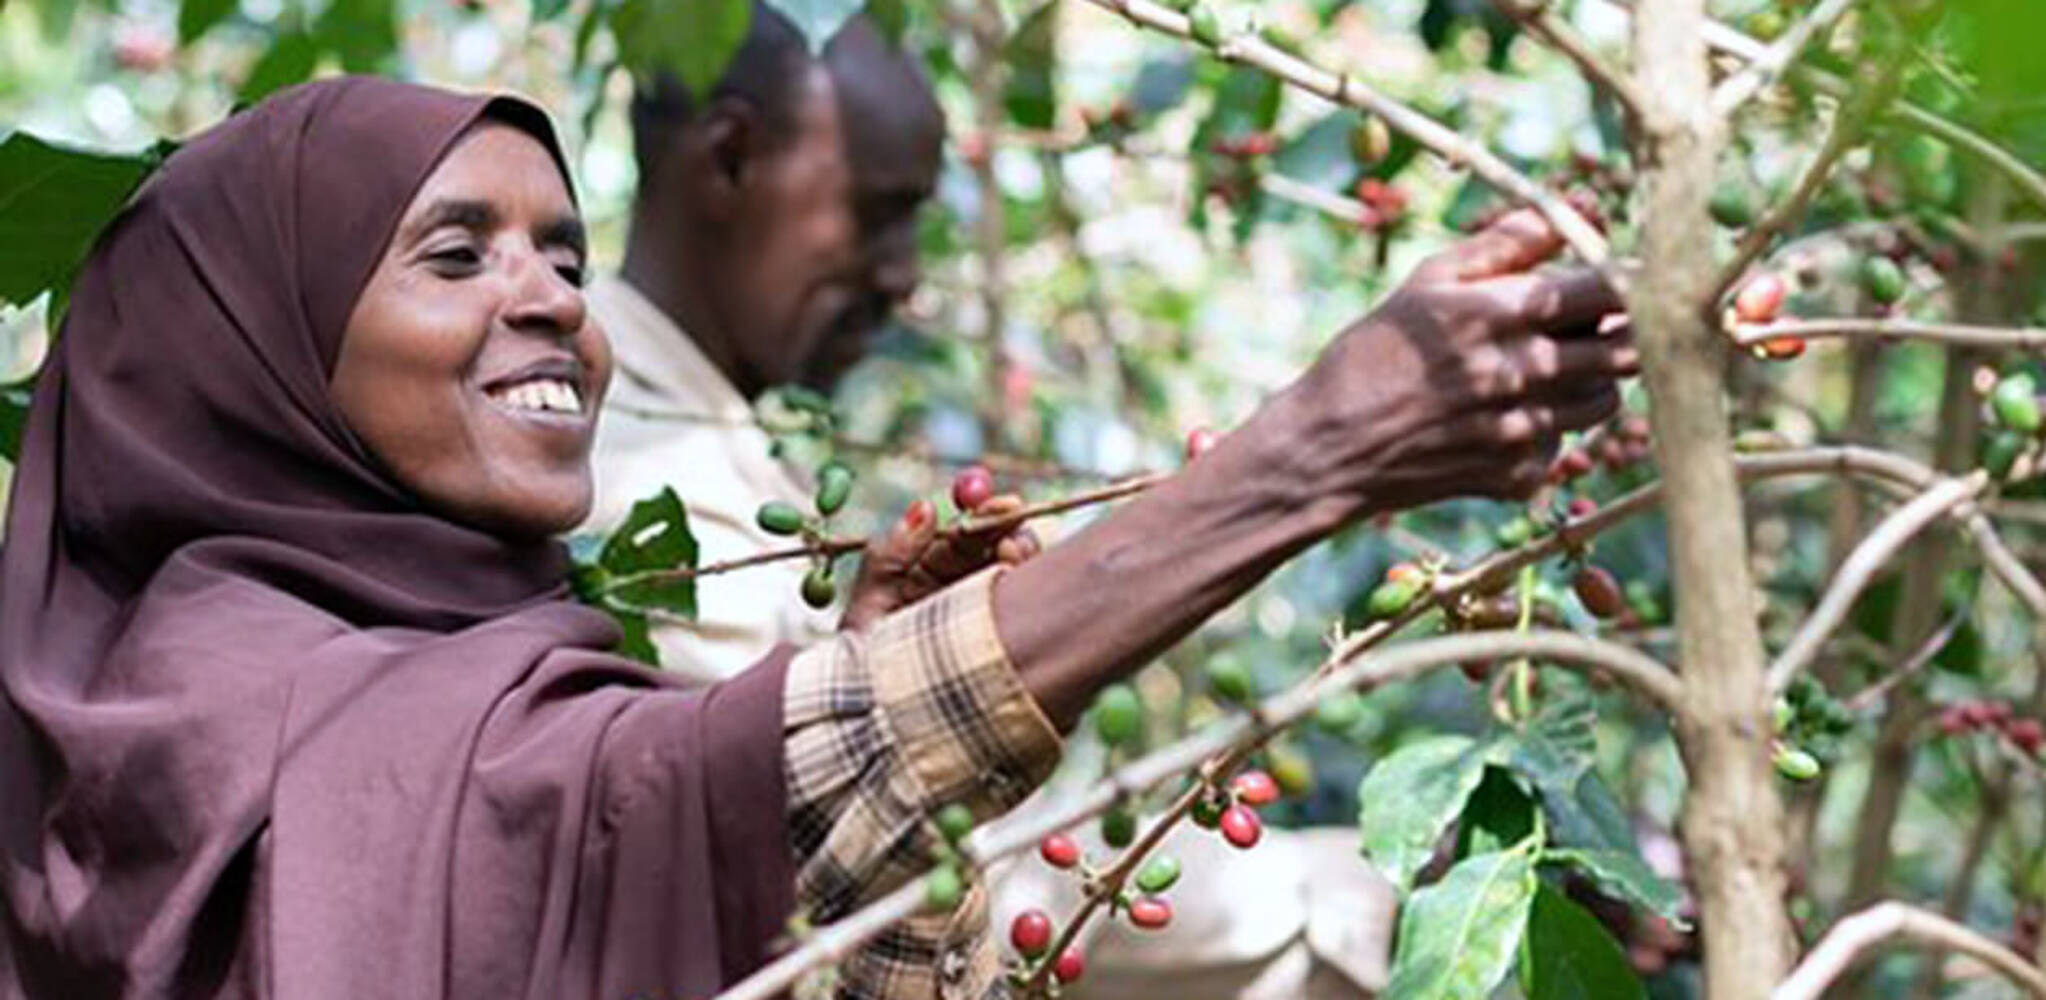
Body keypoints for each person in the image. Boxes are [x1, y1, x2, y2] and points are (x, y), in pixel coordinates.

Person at [0, 74, 1632, 1000]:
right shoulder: (236, 690)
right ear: (256, 352)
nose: (553, 301)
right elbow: (695, 796)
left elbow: (745, 904)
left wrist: (842, 667)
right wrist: (1310, 455)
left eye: (562, 254)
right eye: (454, 256)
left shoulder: (468, 658)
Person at [582, 5, 943, 682]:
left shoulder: (699, 427)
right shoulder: (624, 475)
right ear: (729, 161)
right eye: (877, 213)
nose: (904, 275)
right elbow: (781, 773)